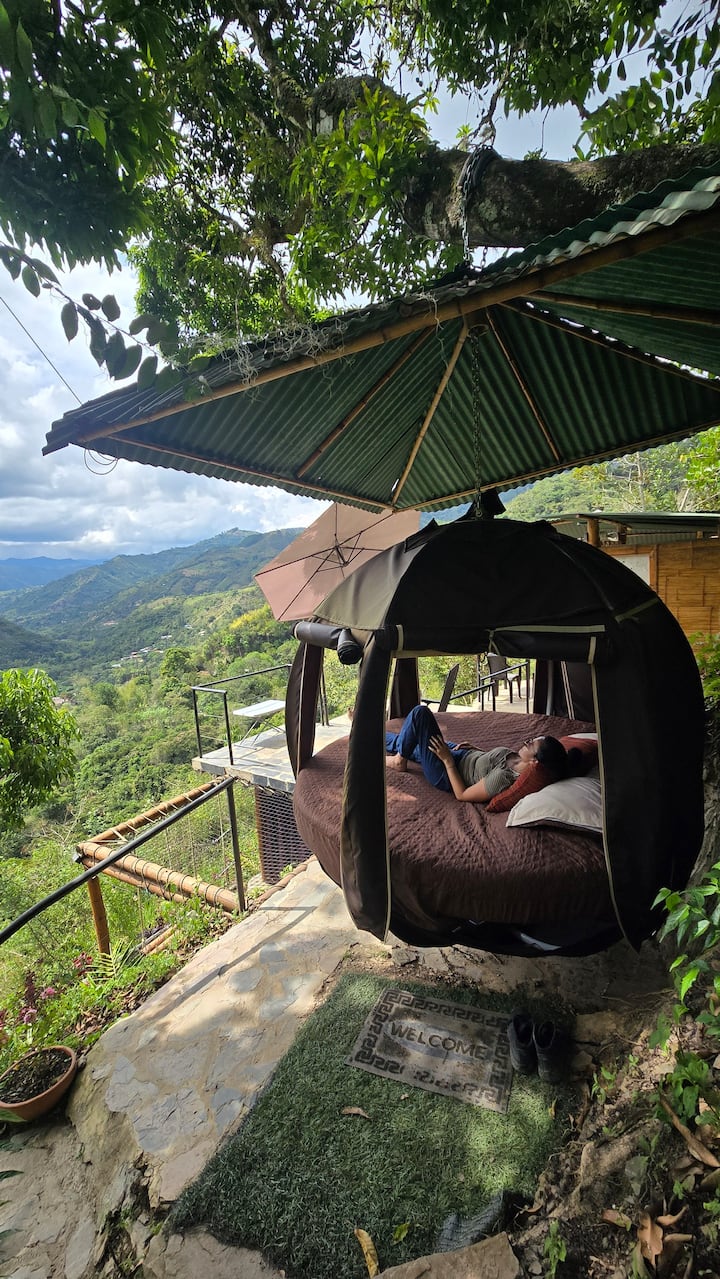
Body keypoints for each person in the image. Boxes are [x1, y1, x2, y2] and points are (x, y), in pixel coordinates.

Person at [385, 703, 580, 803]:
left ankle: (399, 760)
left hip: (445, 773)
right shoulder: (517, 759)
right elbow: (489, 764)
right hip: (460, 755)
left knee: (420, 714)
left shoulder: (503, 779)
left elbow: (462, 794)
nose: (526, 741)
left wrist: (447, 760)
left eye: (531, 745)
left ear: (535, 763)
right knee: (411, 737)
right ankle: (365, 733)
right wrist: (475, 751)